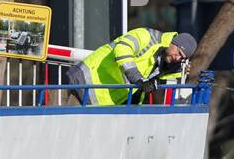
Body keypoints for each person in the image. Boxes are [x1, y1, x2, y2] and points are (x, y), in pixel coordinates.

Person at [64, 28, 197, 106]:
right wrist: (137, 79)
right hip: (84, 83)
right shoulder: (146, 36)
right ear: (173, 43)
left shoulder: (165, 61)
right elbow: (122, 50)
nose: (177, 58)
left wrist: (178, 70)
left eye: (182, 58)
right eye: (179, 53)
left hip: (101, 100)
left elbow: (156, 76)